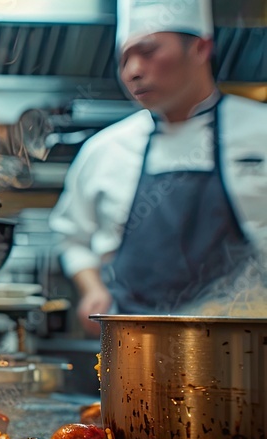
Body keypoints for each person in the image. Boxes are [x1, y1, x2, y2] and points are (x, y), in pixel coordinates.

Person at [50, 0, 267, 335]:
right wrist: (93, 289)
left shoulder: (260, 131)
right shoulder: (105, 150)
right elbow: (72, 238)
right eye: (123, 58)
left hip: (245, 347)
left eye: (148, 51)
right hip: (135, 350)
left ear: (200, 47)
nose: (132, 71)